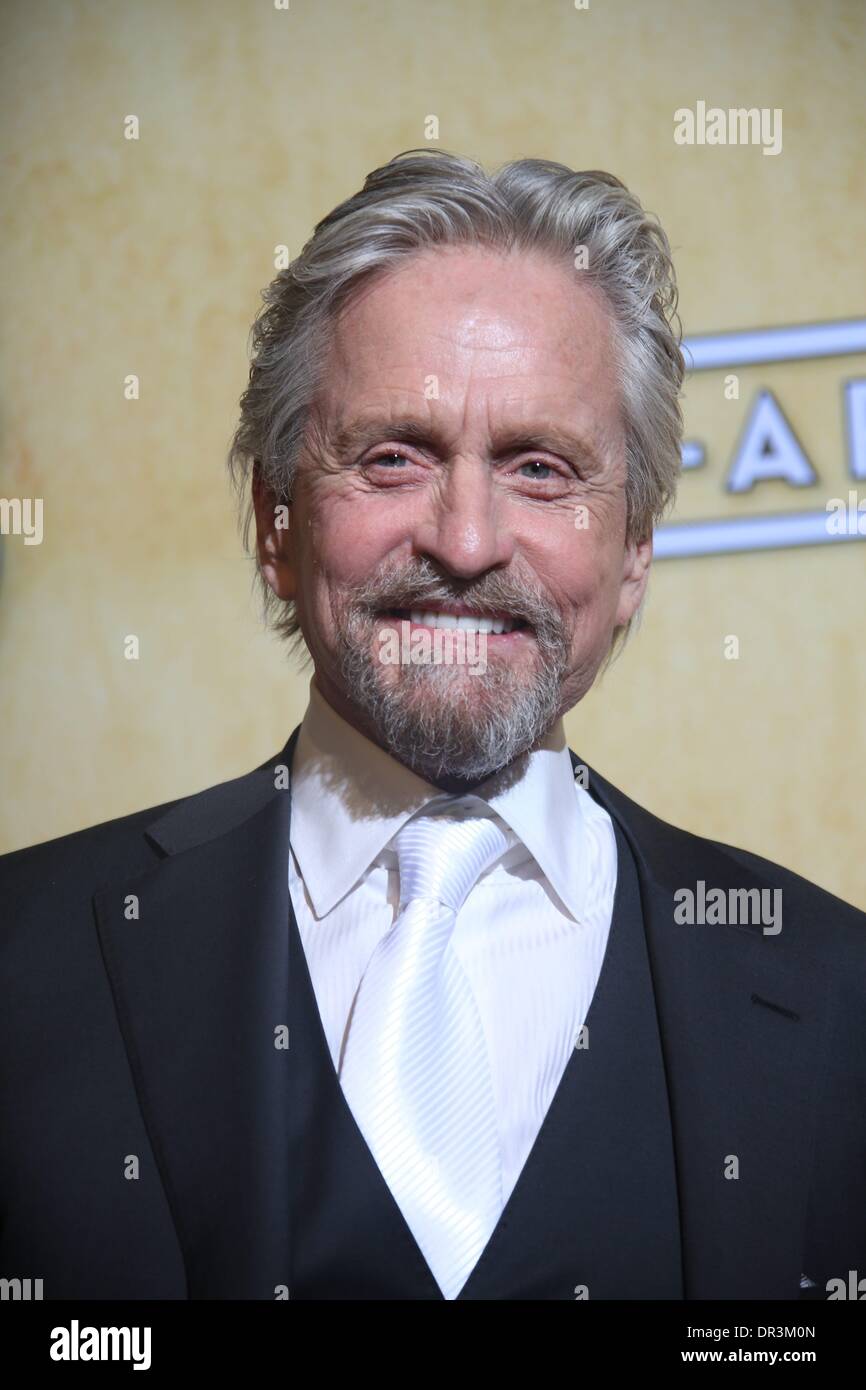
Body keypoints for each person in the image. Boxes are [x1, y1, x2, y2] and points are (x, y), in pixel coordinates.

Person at [1, 149, 864, 1301]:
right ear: (275, 523)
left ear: (633, 556)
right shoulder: (23, 953)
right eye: (392, 458)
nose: (464, 540)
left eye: (541, 467)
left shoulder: (835, 992)